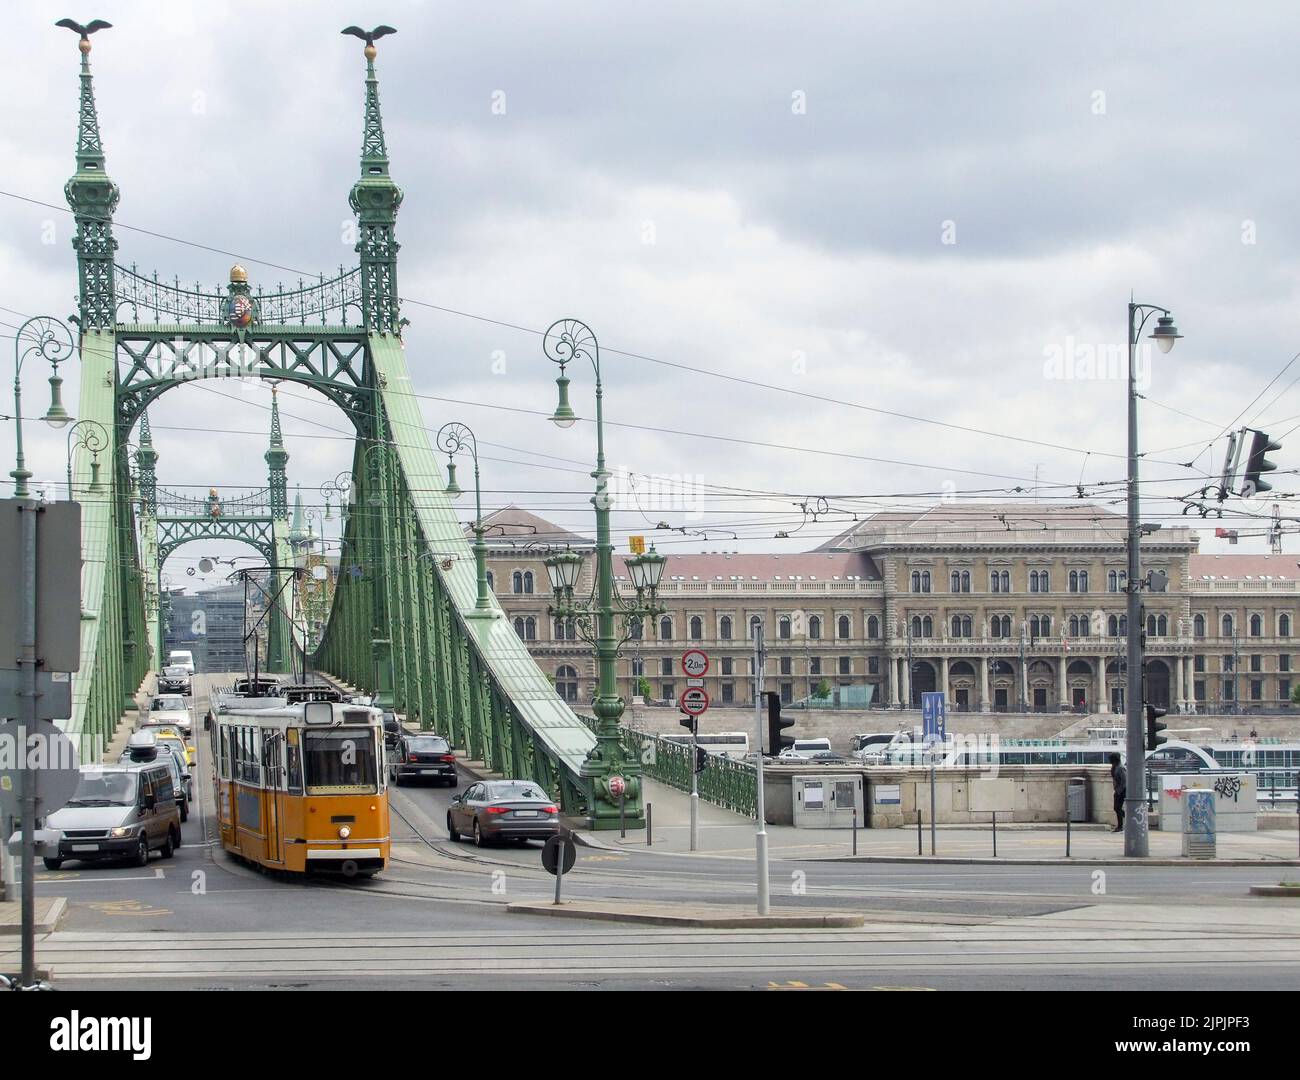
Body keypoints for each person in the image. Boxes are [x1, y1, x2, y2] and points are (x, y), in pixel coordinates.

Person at [1109, 752, 1126, 833]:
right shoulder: (1115, 767)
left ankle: (1120, 826)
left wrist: (1119, 791)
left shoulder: (1120, 768)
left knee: (1117, 808)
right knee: (1117, 808)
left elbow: (1124, 781)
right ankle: (1122, 822)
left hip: (1122, 791)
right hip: (1118, 790)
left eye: (1110, 759)